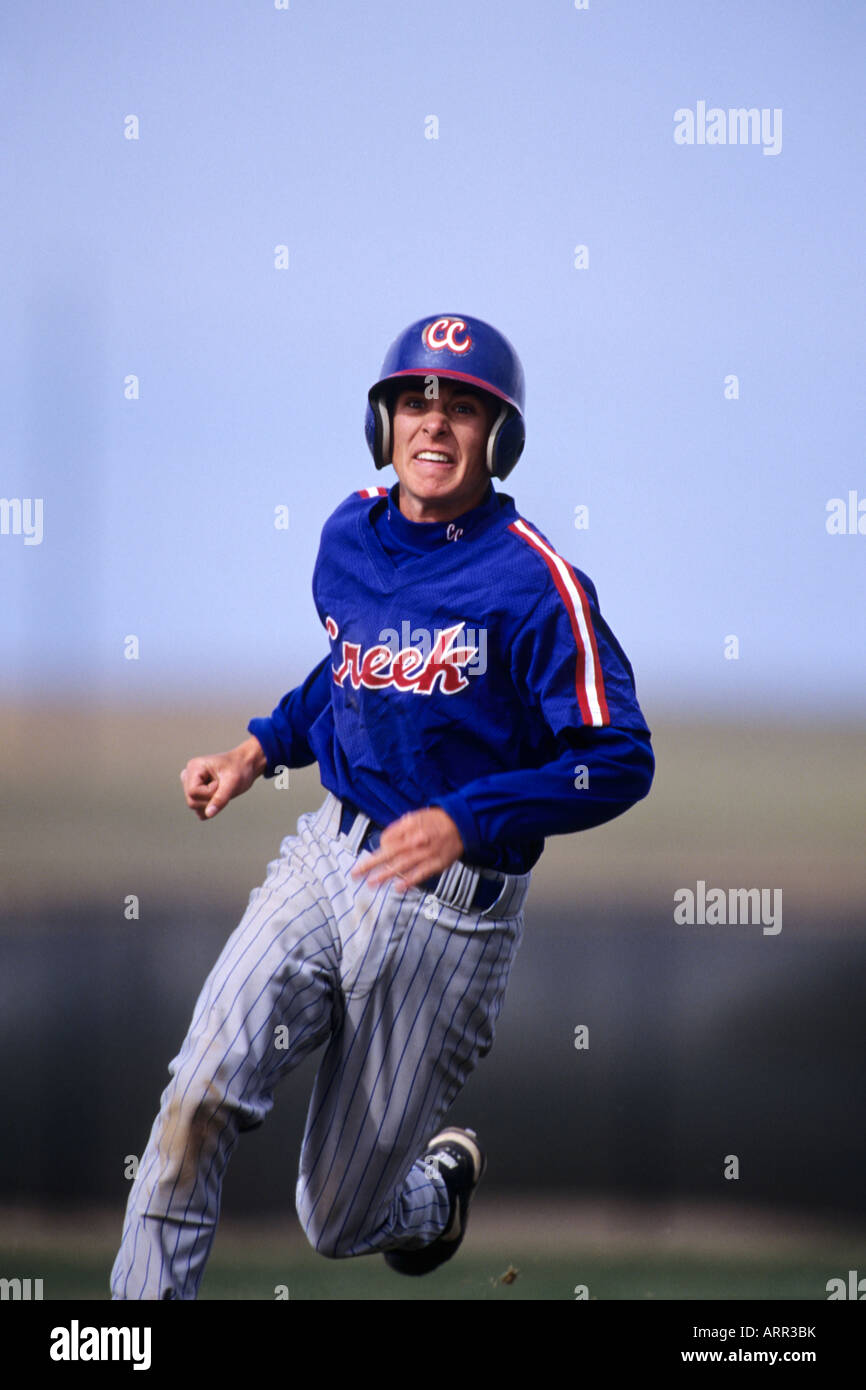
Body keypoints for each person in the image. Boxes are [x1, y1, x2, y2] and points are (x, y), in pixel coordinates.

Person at [110, 312, 654, 1298]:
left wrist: (471, 815)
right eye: (414, 399)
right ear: (383, 422)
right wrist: (257, 748)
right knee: (196, 1093)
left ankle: (432, 1196)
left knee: (337, 1218)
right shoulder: (349, 537)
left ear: (501, 434)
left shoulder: (536, 585)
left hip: (448, 911)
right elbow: (354, 672)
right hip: (328, 853)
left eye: (462, 405)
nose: (433, 422)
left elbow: (616, 758)